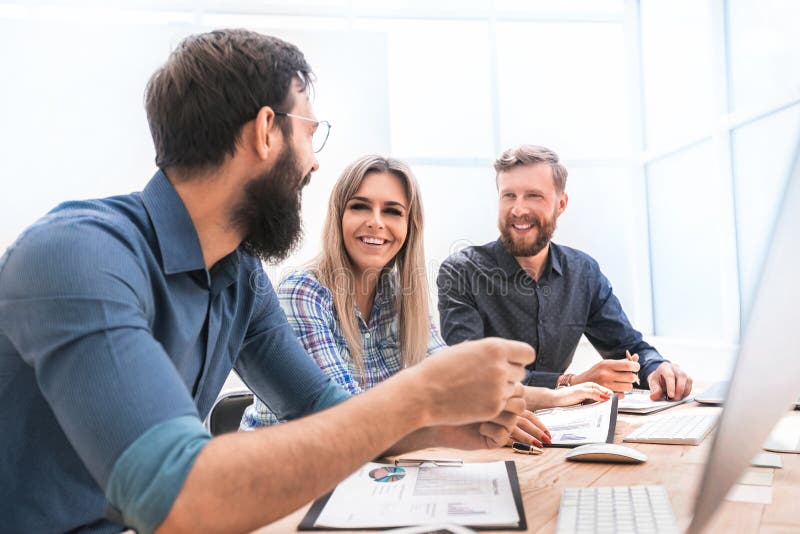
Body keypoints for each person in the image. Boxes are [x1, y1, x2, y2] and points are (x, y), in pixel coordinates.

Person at [0, 30, 534, 534]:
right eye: (310, 133)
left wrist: (442, 427)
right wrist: (421, 396)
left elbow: (326, 413)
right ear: (265, 132)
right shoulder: (77, 255)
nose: (315, 163)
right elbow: (178, 494)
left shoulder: (240, 274)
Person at [239, 155, 609, 445]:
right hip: (286, 484)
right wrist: (459, 423)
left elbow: (452, 373)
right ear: (338, 216)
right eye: (360, 207)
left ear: (409, 226)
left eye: (393, 211)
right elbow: (343, 418)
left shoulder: (399, 297)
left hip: (365, 472)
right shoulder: (303, 293)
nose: (376, 222)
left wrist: (553, 396)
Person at [437, 144, 693, 403]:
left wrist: (656, 368)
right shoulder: (461, 272)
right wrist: (567, 384)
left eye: (534, 196)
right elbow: (472, 374)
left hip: (568, 429)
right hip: (489, 430)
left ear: (561, 204)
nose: (518, 209)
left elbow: (628, 348)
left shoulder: (583, 272)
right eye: (509, 196)